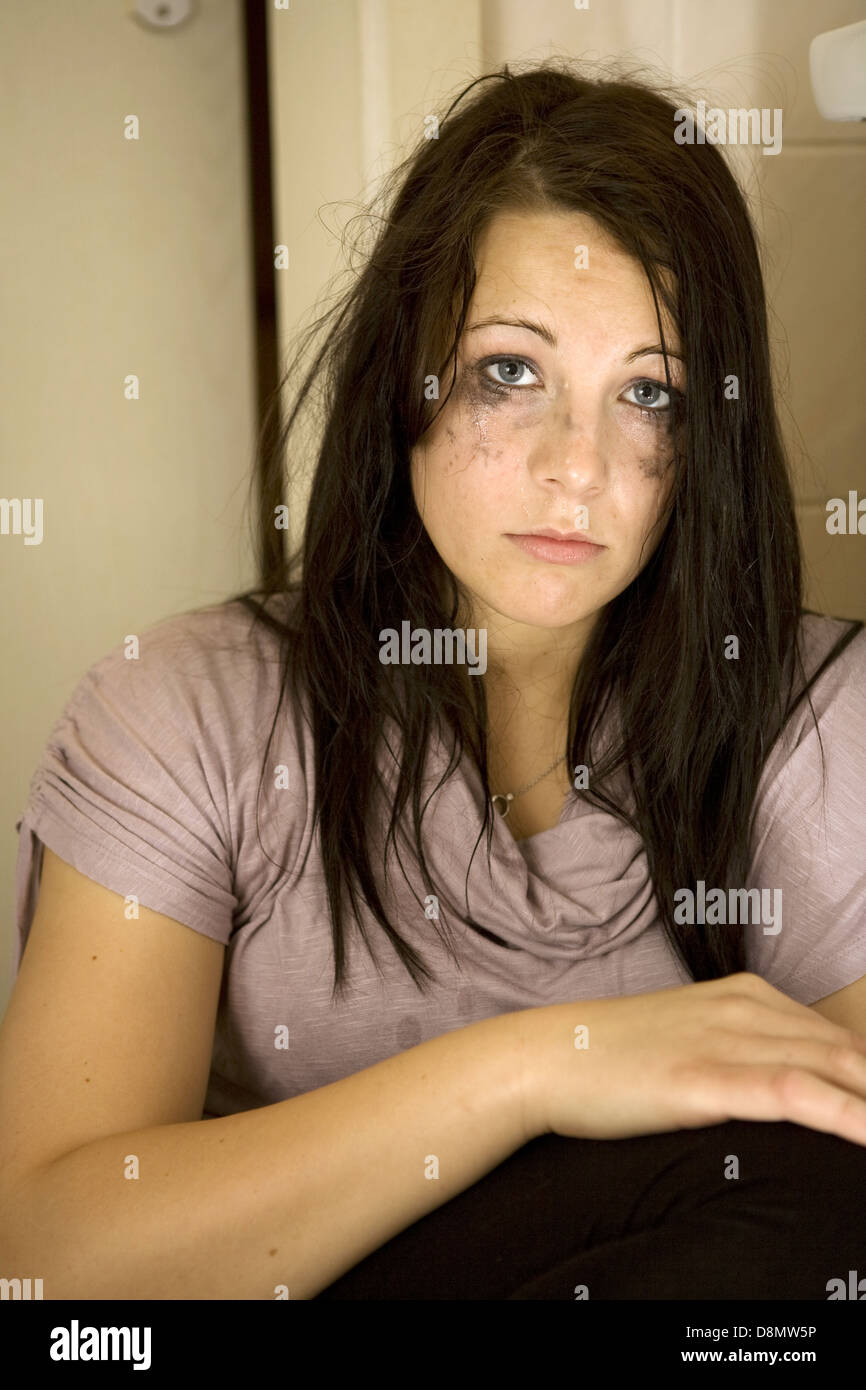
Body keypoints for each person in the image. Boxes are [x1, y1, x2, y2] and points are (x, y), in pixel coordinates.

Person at [2, 60, 865, 1302]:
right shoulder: (182, 711)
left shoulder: (803, 712)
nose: (578, 469)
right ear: (403, 370)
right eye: (510, 372)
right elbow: (48, 1264)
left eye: (646, 393)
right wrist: (538, 1068)